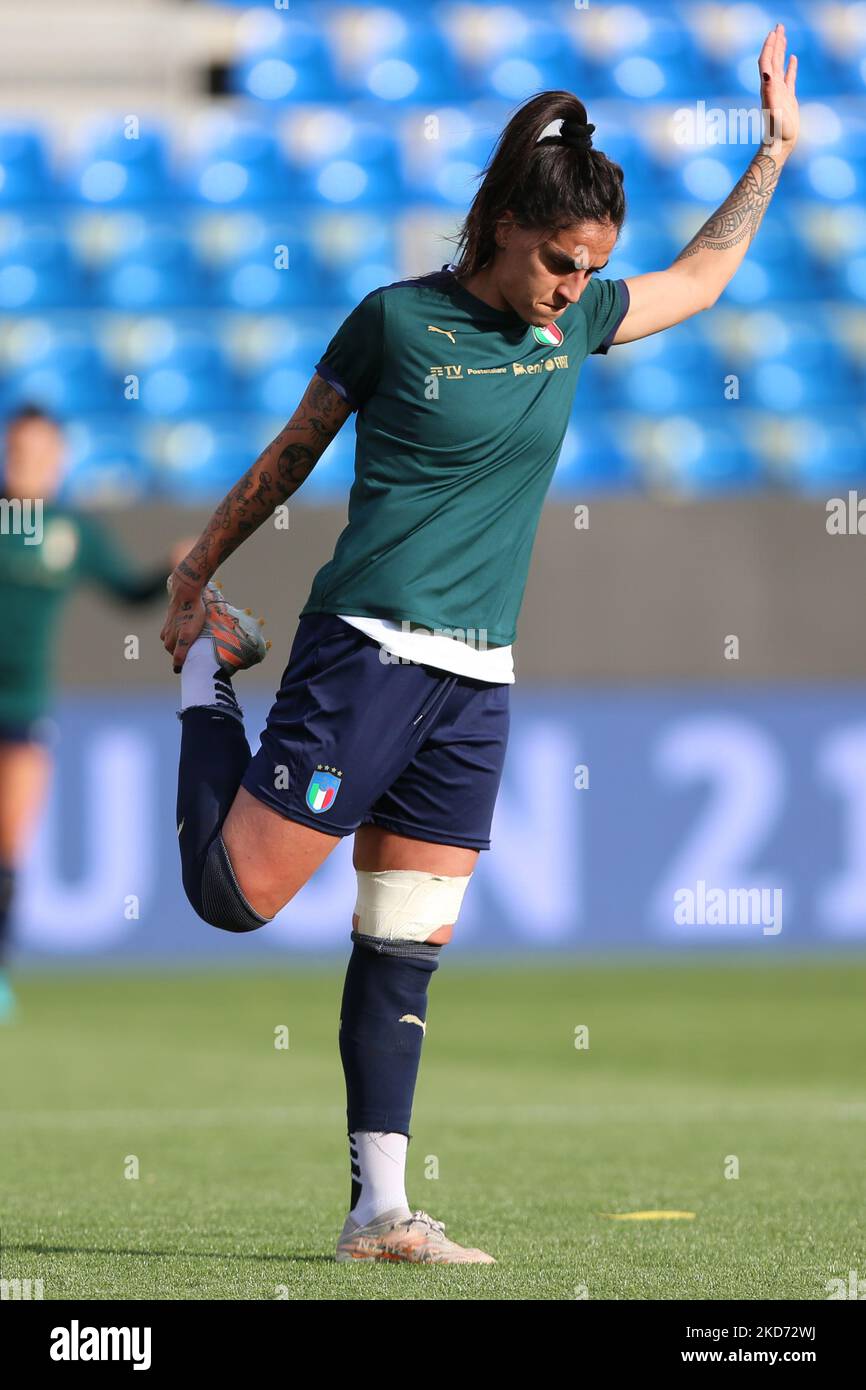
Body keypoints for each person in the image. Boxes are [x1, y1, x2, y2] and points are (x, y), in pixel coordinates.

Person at [161, 31, 798, 1263]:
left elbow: (703, 280)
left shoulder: (578, 324)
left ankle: (377, 1213)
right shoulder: (395, 323)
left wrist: (771, 150)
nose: (574, 285)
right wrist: (196, 576)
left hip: (478, 683)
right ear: (505, 226)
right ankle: (205, 683)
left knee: (402, 945)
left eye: (590, 268)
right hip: (366, 652)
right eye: (560, 261)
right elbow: (291, 453)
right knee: (231, 896)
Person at [0, 404, 188, 1018]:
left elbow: (129, 594)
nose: (29, 464)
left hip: (24, 709)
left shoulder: (71, 531)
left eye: (41, 453)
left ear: (59, 461)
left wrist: (171, 567)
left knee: (7, 846)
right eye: (19, 452)